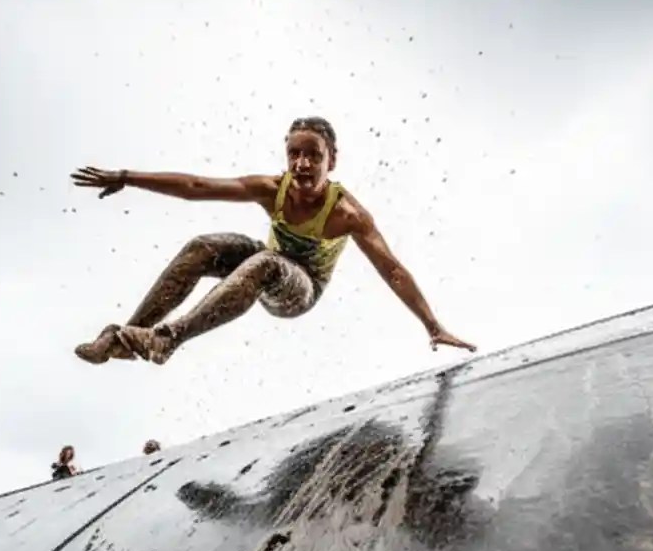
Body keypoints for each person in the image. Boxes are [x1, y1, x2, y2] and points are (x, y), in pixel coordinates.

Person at [69, 116, 475, 365]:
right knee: (203, 247)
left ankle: (165, 340)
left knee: (267, 264)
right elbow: (196, 186)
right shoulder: (271, 188)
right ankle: (125, 337)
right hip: (263, 265)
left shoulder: (347, 214)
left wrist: (433, 326)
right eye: (294, 155)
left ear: (331, 159)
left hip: (299, 291)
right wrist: (127, 176)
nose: (302, 165)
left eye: (313, 156)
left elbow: (393, 270)